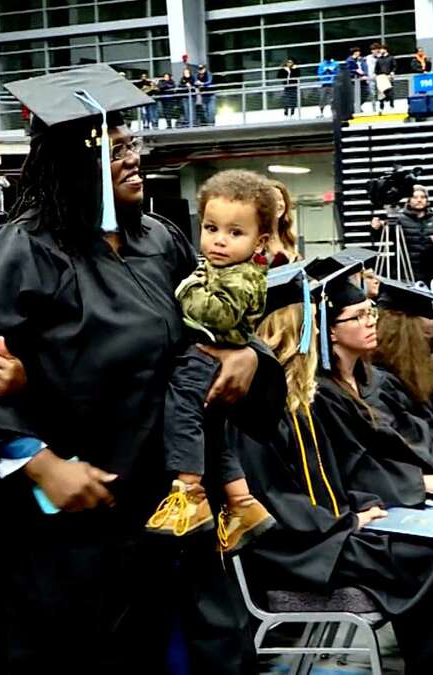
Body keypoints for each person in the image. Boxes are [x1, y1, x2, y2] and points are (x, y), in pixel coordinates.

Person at [0, 64, 275, 673]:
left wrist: (249, 354)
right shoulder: (18, 253)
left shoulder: (161, 242)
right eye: (115, 149)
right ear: (74, 159)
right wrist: (38, 463)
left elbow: (209, 330)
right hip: (72, 525)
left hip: (170, 510)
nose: (134, 158)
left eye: (134, 144)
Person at [231, 267, 433, 674]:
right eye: (317, 325)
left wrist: (362, 507)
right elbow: (275, 498)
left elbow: (341, 474)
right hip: (301, 547)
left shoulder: (301, 396)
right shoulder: (262, 406)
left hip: (328, 530)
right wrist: (351, 518)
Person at [143, 170, 276, 550]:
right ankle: (242, 503)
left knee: (181, 413)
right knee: (212, 436)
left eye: (236, 233)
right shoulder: (220, 267)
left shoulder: (240, 276)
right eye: (212, 228)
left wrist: (185, 289)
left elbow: (215, 315)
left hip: (205, 358)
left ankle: (189, 493)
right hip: (209, 356)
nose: (219, 241)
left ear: (260, 241)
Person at [392, 185, 433, 283]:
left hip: (430, 275)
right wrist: (376, 228)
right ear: (409, 200)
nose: (419, 200)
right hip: (405, 274)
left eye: (422, 197)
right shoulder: (399, 219)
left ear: (427, 200)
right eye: (415, 197)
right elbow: (383, 236)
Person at [266, 179, 299, 263]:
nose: (278, 204)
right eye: (272, 200)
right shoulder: (255, 238)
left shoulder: (286, 235)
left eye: (280, 199)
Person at [373, 45, 396, 112]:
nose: (381, 51)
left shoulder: (391, 58)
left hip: (388, 76)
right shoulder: (379, 59)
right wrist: (375, 75)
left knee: (390, 91)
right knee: (381, 92)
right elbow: (376, 69)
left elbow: (394, 66)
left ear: (385, 50)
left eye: (382, 49)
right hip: (381, 77)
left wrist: (392, 72)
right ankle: (381, 107)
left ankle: (391, 105)